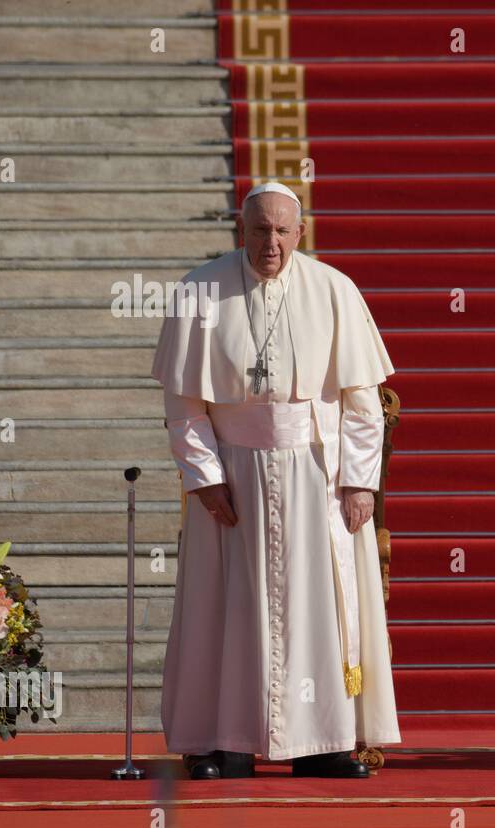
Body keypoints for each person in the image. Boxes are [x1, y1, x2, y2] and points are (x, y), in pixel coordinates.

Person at [151, 181, 400, 779]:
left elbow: (363, 404)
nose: (271, 243)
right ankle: (224, 743)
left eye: (283, 231)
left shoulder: (334, 290)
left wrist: (359, 482)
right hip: (232, 479)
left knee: (317, 609)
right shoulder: (200, 291)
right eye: (260, 230)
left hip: (317, 477)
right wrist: (205, 478)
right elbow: (184, 407)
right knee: (228, 609)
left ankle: (322, 743)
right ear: (242, 230)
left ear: (300, 232)